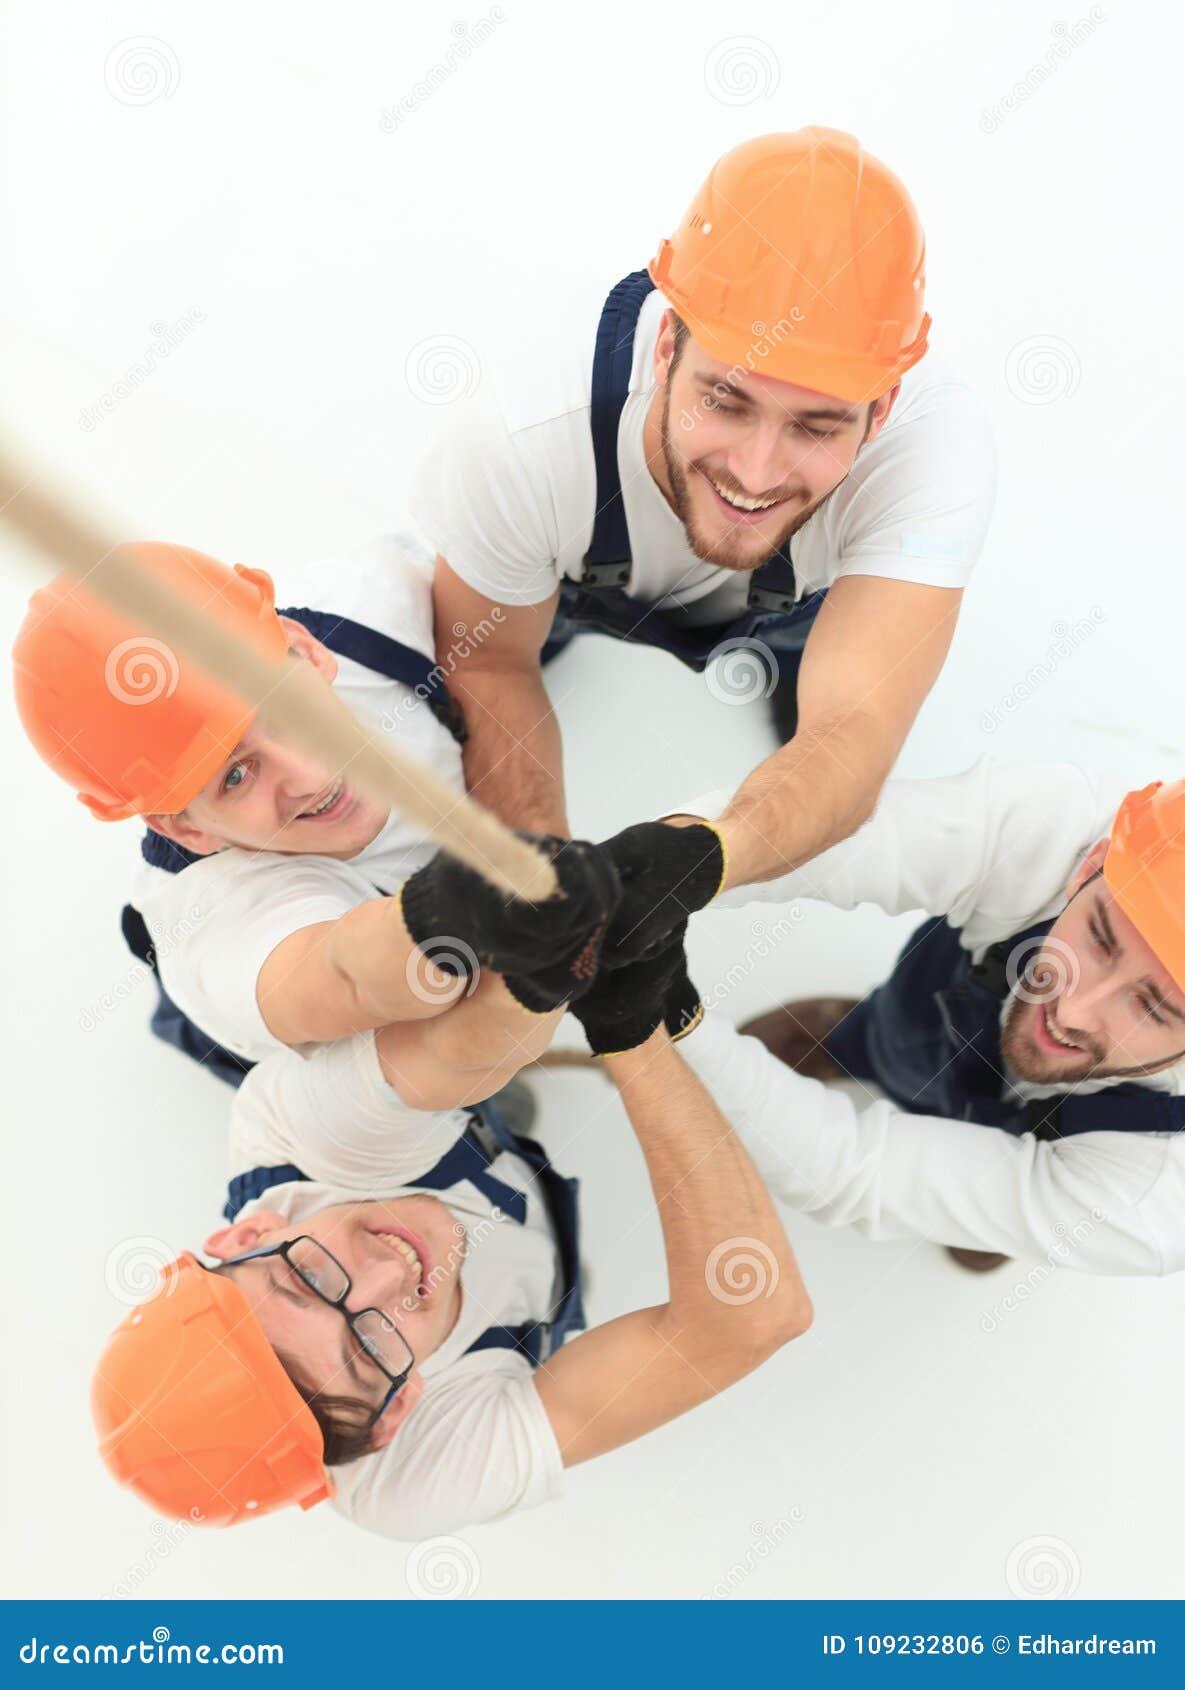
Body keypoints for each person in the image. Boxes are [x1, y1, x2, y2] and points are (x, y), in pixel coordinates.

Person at [412, 127, 996, 928]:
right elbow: (492, 667)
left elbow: (854, 731)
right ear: (663, 348)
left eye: (817, 428)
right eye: (724, 401)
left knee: (822, 720)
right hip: (569, 570)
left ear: (883, 409)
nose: (756, 474)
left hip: (795, 604)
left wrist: (697, 858)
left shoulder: (934, 456)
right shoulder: (525, 436)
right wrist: (547, 885)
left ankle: (790, 661)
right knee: (475, 674)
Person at [90, 939, 811, 1540]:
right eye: (372, 1350)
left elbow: (509, 998)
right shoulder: (413, 1480)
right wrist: (631, 1030)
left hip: (388, 1111)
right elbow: (752, 1317)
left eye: (306, 1279)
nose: (384, 1273)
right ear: (398, 1414)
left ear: (253, 1231)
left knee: (364, 1038)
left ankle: (460, 1107)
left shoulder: (293, 1127)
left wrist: (558, 970)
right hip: (466, 1171)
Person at [11, 533, 621, 1092]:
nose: (308, 776)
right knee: (360, 1087)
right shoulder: (218, 927)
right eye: (234, 775)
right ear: (184, 827)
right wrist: (467, 920)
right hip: (279, 994)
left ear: (305, 650)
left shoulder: (372, 606)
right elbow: (344, 975)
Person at [666, 757, 1185, 1276]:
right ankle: (858, 1044)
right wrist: (670, 866)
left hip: (1081, 1151)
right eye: (1098, 935)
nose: (1070, 1011)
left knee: (1001, 1208)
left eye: (1153, 1007)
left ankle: (1014, 1202)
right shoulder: (1065, 827)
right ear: (1091, 864)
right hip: (935, 1012)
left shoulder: (1155, 1197)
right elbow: (842, 841)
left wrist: (674, 1022)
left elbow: (853, 1172)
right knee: (893, 1039)